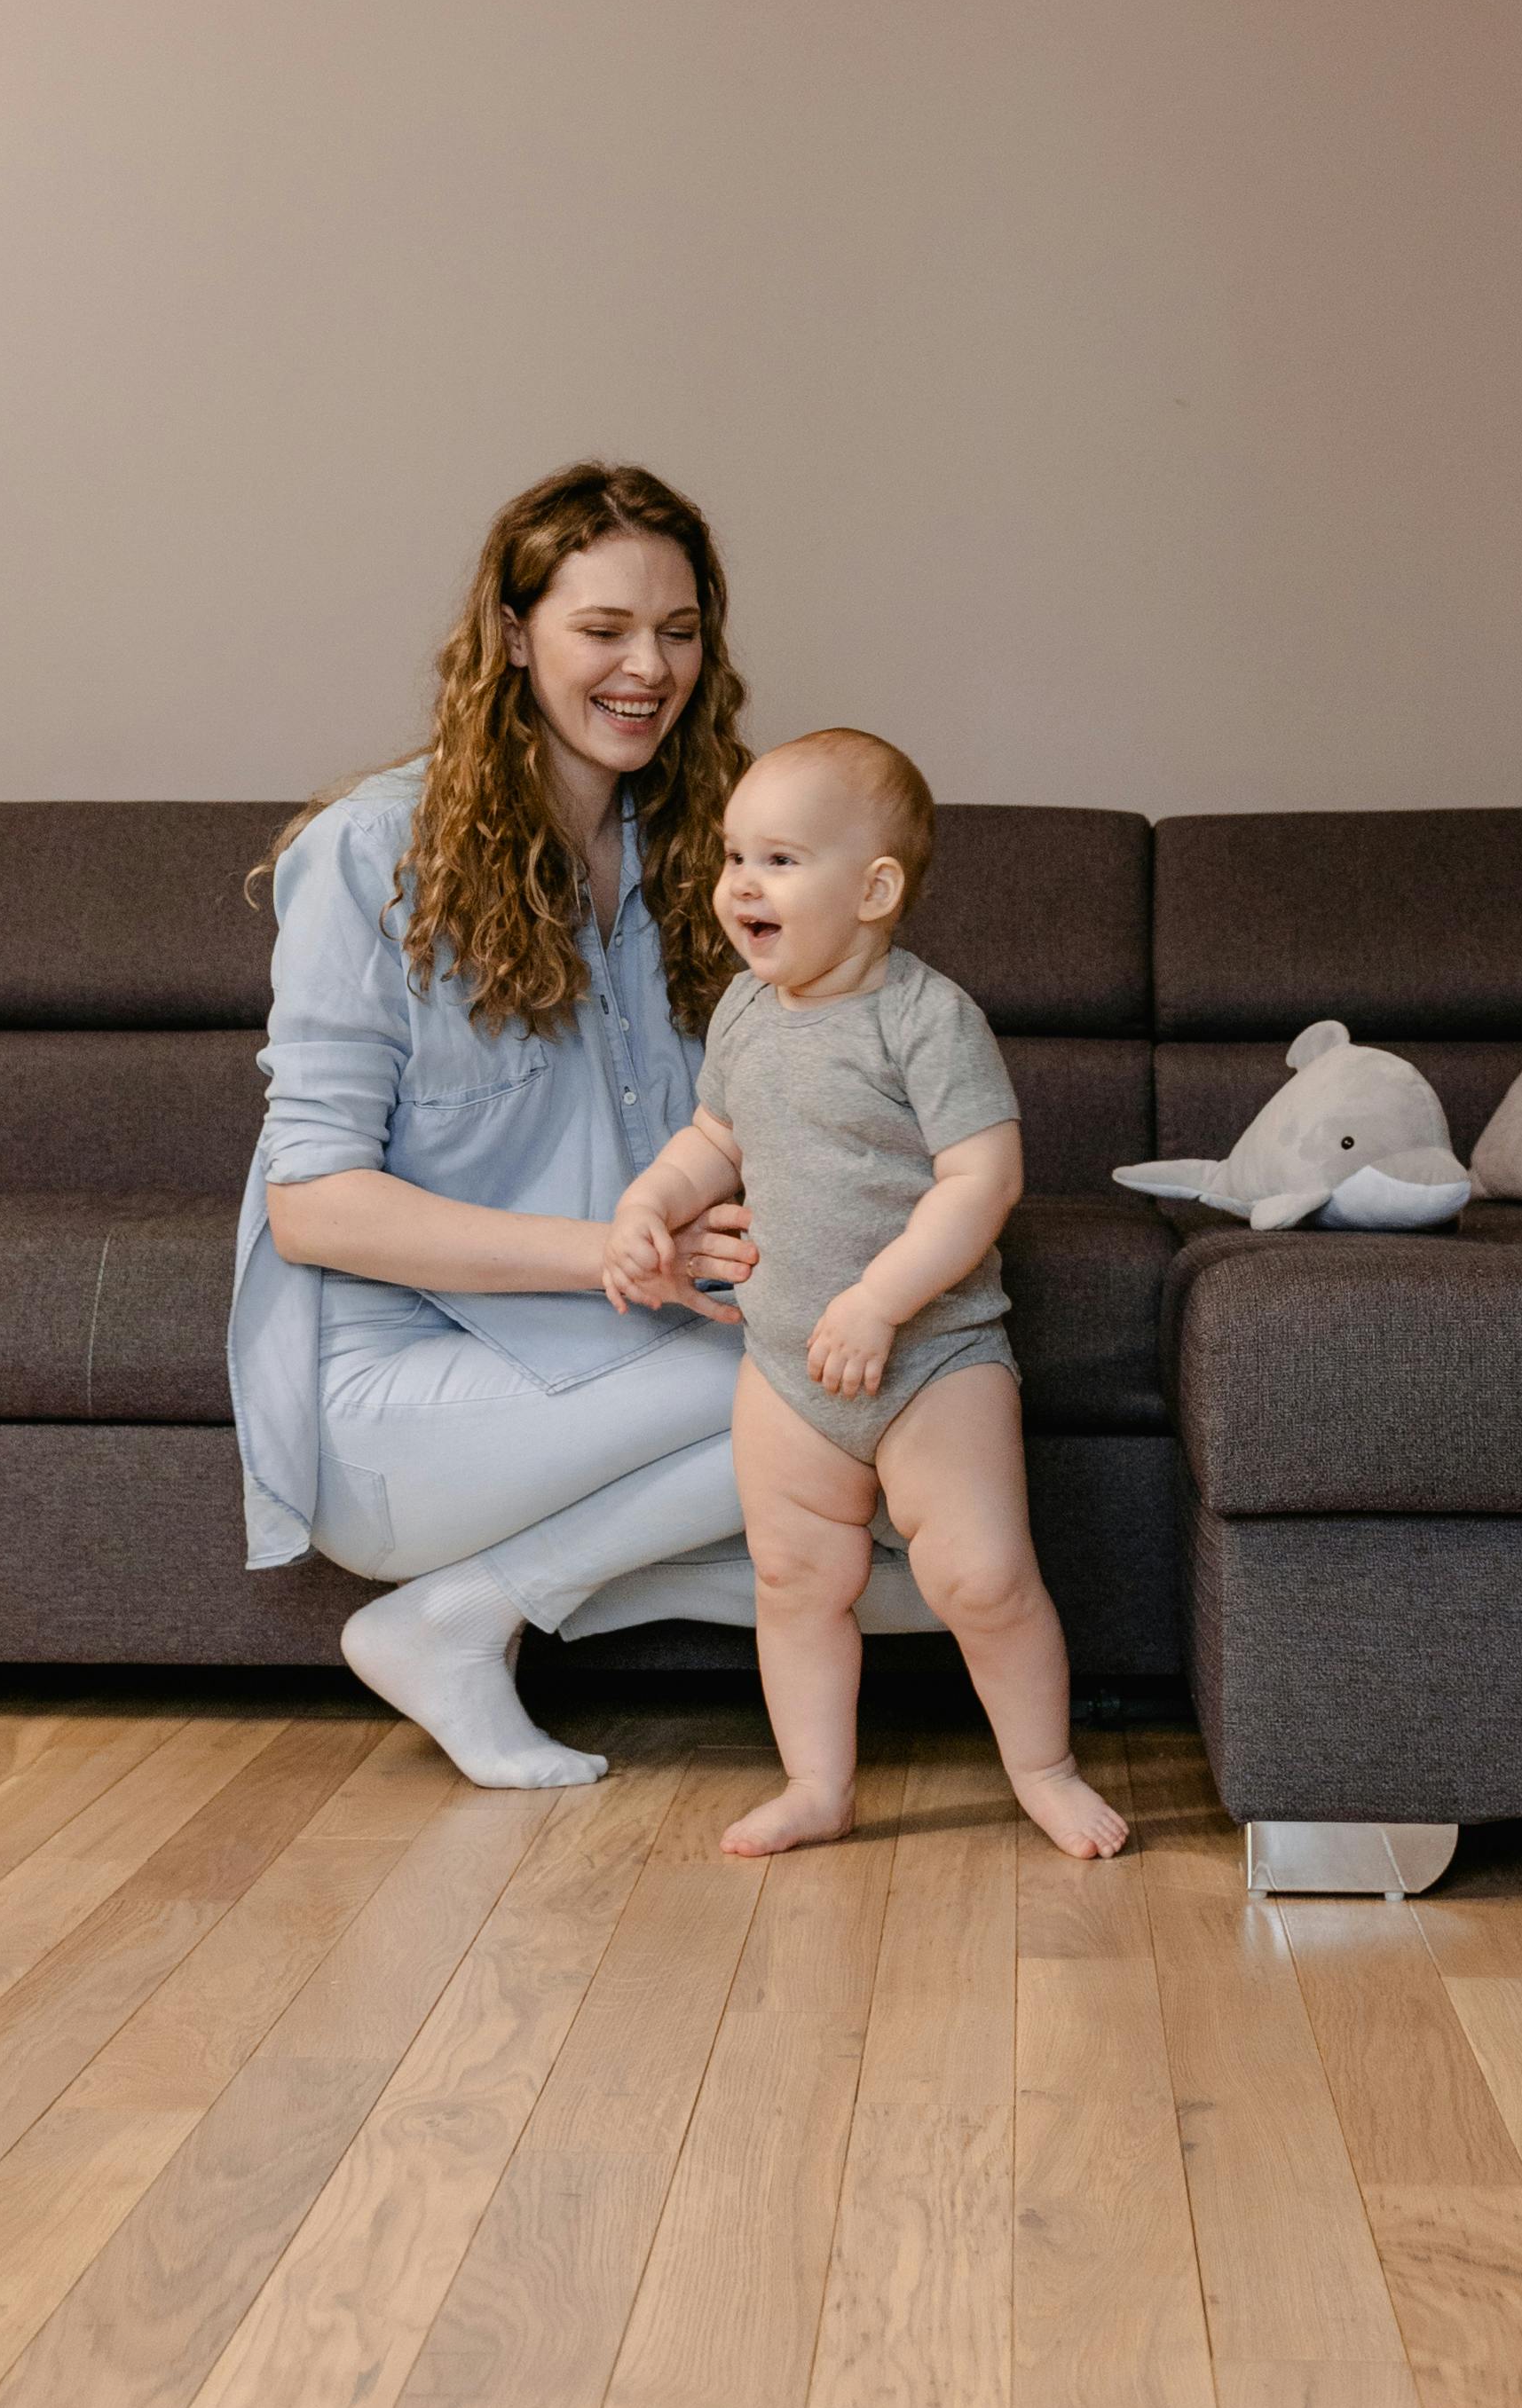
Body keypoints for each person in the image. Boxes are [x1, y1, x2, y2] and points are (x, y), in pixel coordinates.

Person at [231, 461, 929, 1790]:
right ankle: (469, 1605)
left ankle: (476, 1604)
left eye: (676, 631)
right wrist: (618, 1250)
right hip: (392, 1403)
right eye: (600, 628)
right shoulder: (371, 852)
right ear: (510, 634)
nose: (645, 666)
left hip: (619, 1355)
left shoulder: (700, 854)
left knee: (932, 1565)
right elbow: (311, 1202)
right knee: (850, 1407)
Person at [604, 729, 1130, 1865]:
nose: (741, 881)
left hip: (930, 1354)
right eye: (735, 856)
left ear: (875, 889)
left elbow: (983, 1177)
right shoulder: (746, 1010)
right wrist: (650, 1200)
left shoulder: (926, 1019)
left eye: (780, 859)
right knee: (795, 1578)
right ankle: (815, 1784)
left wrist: (882, 1298)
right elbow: (713, 1137)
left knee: (979, 1578)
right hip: (789, 1363)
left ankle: (1041, 1766)